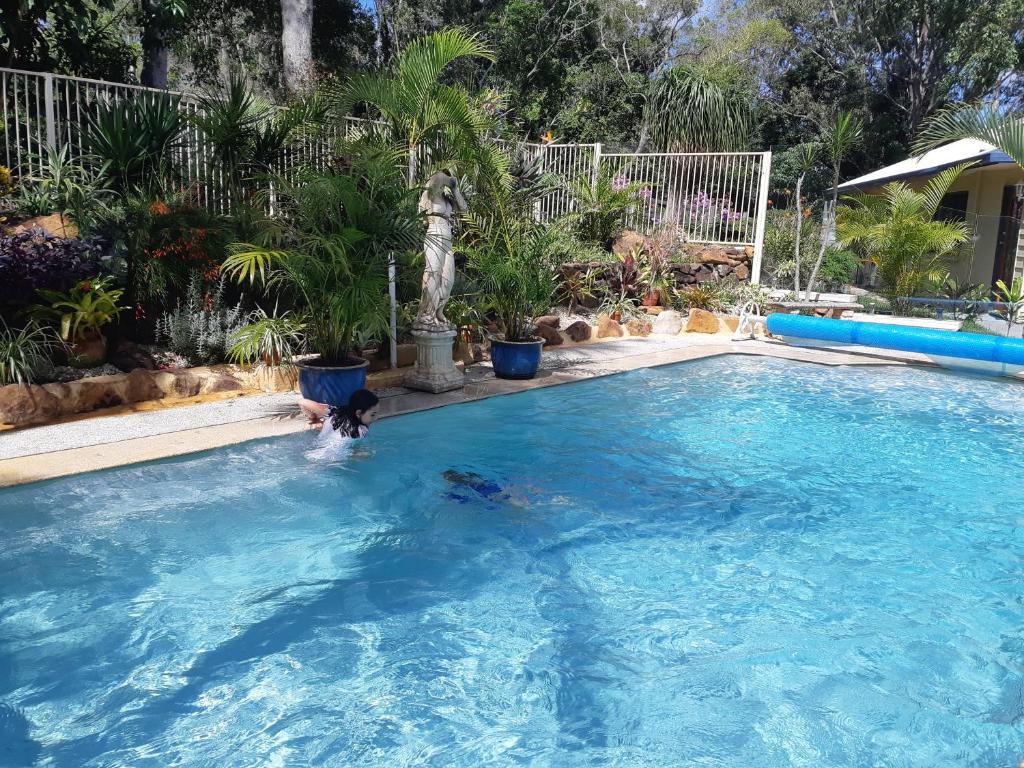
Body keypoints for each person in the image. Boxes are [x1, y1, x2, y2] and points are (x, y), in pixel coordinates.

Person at [298, 389, 380, 439]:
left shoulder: (333, 411)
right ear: (358, 413)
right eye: (373, 415)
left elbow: (302, 402)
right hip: (331, 463)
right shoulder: (361, 431)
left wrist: (314, 418)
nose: (377, 418)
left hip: (313, 453)